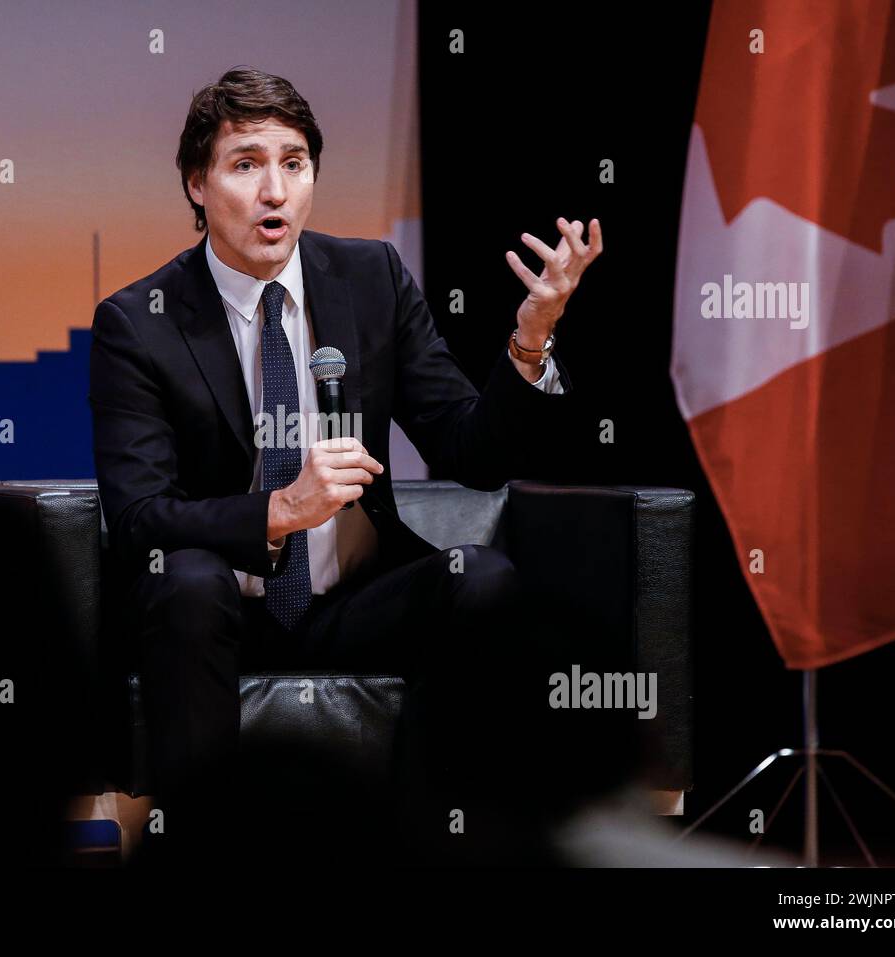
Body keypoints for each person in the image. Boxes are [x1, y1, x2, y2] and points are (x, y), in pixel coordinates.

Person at [88, 66, 603, 866]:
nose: (275, 191)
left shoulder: (371, 279)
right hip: (223, 612)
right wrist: (280, 509)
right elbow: (139, 520)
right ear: (197, 182)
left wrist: (530, 338)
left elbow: (473, 453)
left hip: (355, 600)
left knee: (483, 578)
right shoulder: (138, 322)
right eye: (246, 163)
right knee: (184, 581)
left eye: (294, 164)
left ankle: (451, 845)